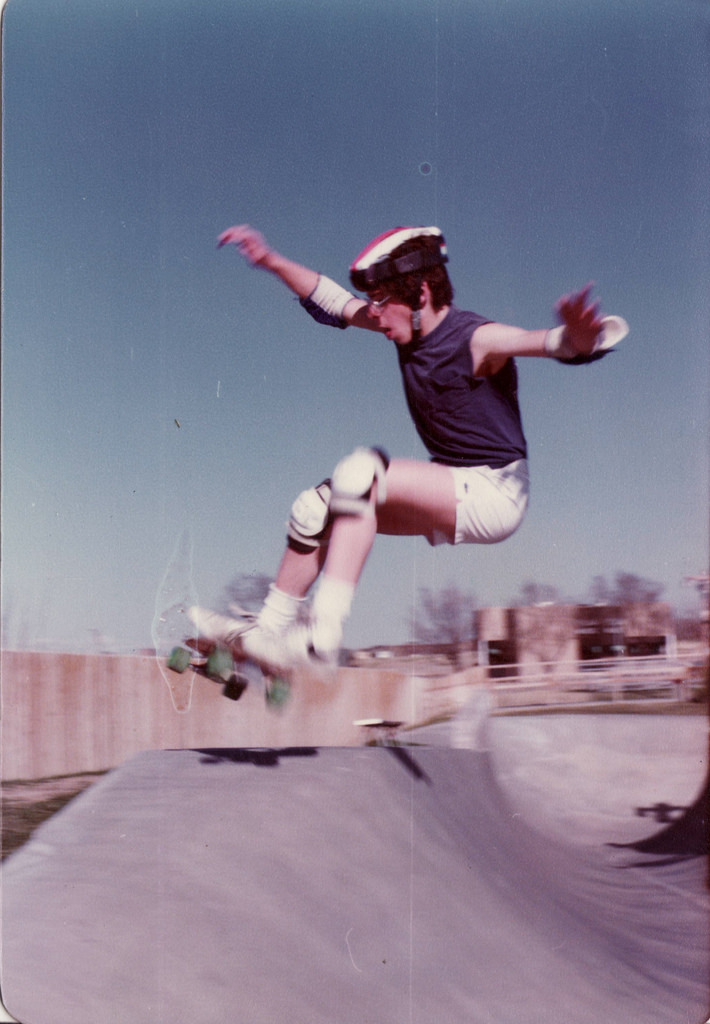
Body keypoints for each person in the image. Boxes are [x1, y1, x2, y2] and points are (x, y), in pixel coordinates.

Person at [190, 224, 627, 673]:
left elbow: (550, 343)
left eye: (381, 302)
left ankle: (322, 638)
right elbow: (334, 302)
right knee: (317, 507)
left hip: (496, 491)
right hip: (452, 486)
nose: (373, 316)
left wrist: (581, 337)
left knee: (360, 472)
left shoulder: (476, 338)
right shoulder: (400, 325)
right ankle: (270, 632)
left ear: (420, 294)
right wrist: (271, 261)